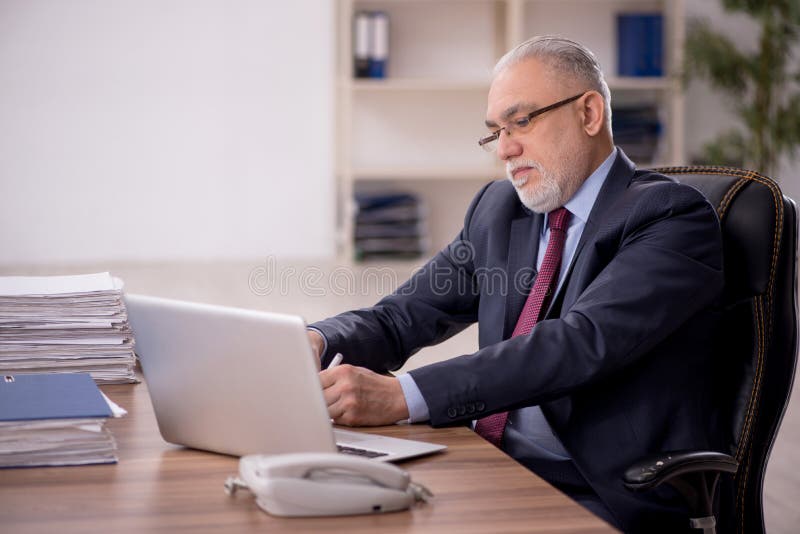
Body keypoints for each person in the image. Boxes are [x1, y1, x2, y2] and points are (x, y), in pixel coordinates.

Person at [308, 36, 724, 533]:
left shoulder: (672, 217)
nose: (505, 149)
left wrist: (403, 395)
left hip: (596, 491)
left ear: (589, 113)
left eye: (521, 121)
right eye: (496, 132)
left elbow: (578, 344)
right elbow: (402, 317)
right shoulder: (499, 210)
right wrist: (317, 340)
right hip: (490, 464)